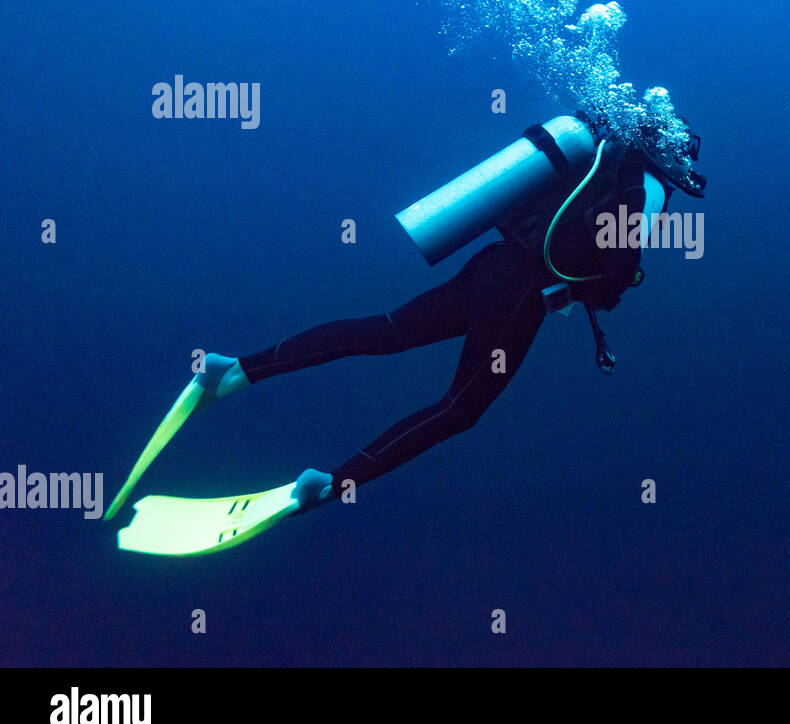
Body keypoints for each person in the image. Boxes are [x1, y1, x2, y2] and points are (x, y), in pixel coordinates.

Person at [187, 117, 698, 516]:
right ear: (667, 156)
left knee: (384, 331)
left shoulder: (599, 162)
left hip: (491, 266)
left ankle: (234, 368)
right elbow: (613, 277)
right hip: (522, 293)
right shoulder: (645, 189)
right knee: (460, 409)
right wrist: (615, 287)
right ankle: (331, 483)